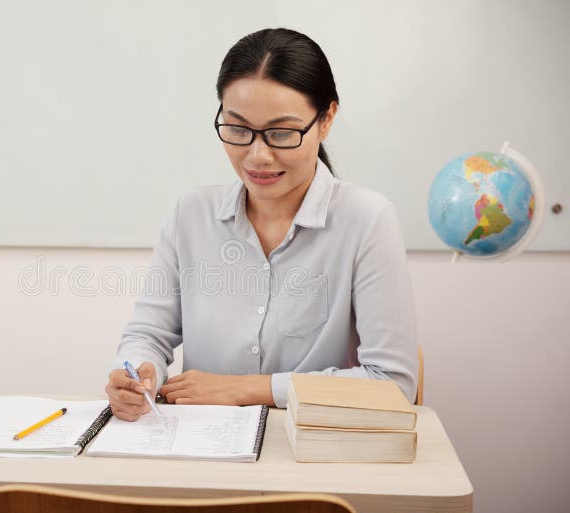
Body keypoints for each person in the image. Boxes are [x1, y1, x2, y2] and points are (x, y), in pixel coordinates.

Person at [105, 28, 418, 421]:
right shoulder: (191, 213)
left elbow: (392, 382)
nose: (257, 155)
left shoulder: (367, 220)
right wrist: (137, 372)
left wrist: (247, 389)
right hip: (203, 448)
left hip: (310, 449)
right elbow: (147, 335)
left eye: (281, 133)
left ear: (326, 120)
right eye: (238, 129)